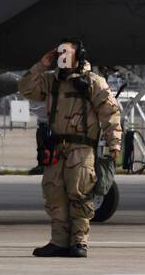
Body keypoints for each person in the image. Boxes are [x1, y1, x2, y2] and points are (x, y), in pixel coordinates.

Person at [16, 40, 122, 258]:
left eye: (67, 54)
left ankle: (79, 242)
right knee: (54, 193)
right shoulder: (50, 80)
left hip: (81, 148)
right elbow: (25, 88)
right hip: (56, 147)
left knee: (80, 193)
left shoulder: (93, 82)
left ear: (78, 56)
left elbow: (110, 113)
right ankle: (59, 241)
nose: (63, 59)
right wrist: (42, 65)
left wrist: (115, 143)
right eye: (60, 54)